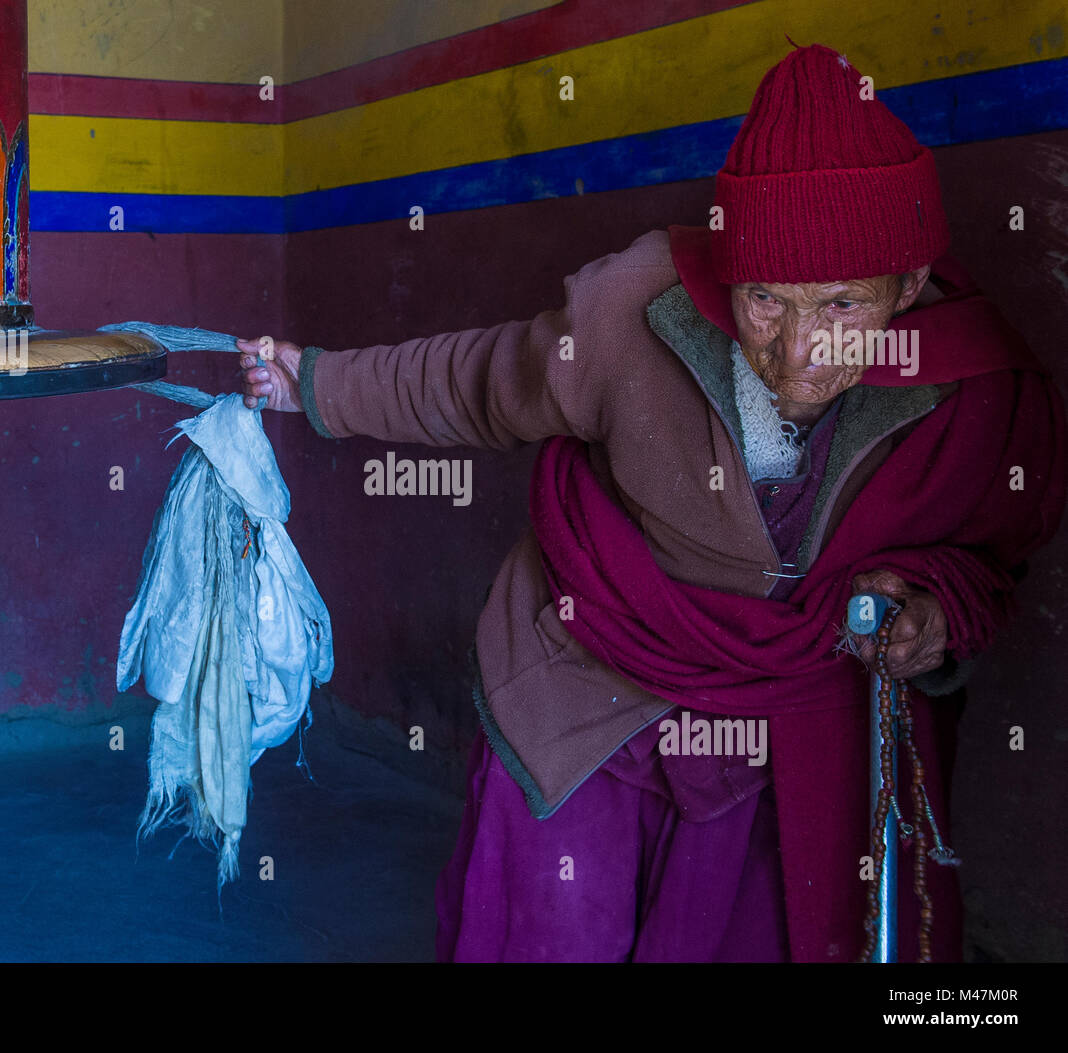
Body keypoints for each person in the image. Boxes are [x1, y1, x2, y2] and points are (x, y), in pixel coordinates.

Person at [235, 43, 1065, 962]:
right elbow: (480, 380)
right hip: (592, 666)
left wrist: (936, 612)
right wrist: (308, 381)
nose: (796, 356)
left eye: (840, 307)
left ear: (908, 288)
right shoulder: (636, 311)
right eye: (764, 302)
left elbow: (992, 558)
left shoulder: (976, 394)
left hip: (784, 716)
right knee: (555, 928)